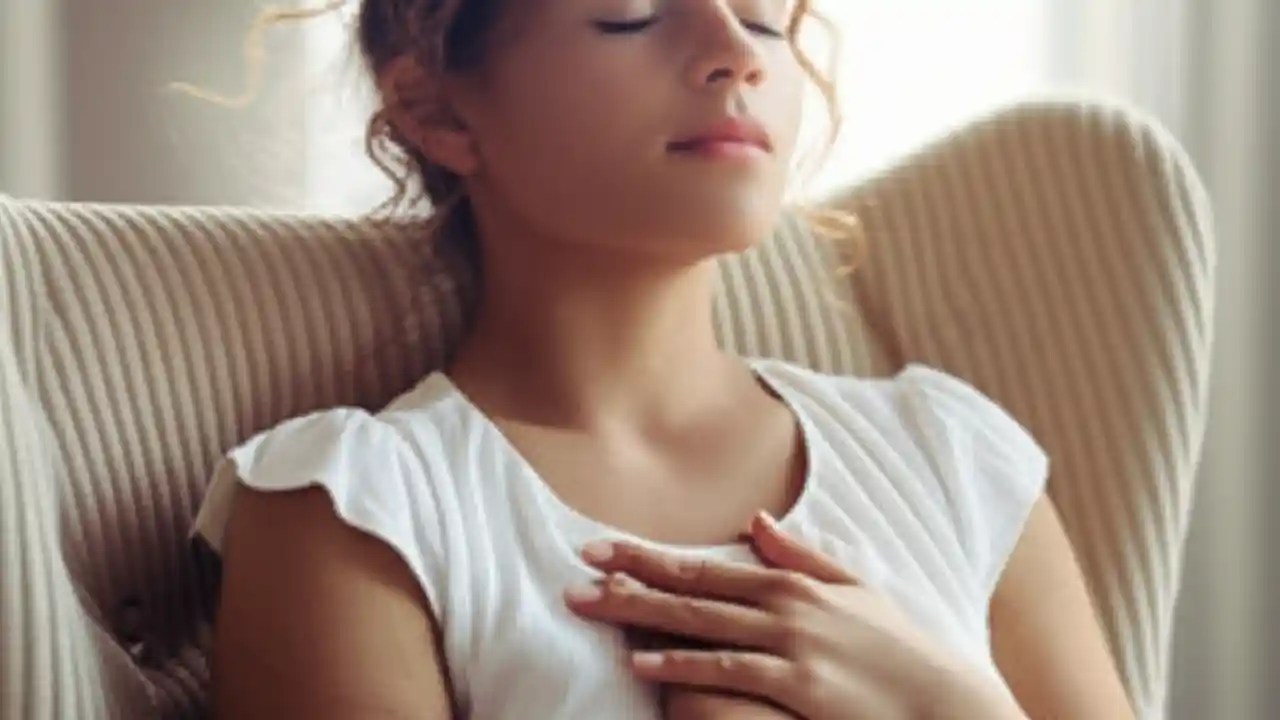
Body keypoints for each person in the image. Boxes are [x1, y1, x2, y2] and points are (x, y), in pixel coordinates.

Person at [190, 0, 1136, 717]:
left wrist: (940, 705)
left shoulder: (950, 454)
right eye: (630, 14)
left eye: (764, 18)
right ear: (438, 109)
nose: (734, 50)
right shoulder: (355, 511)